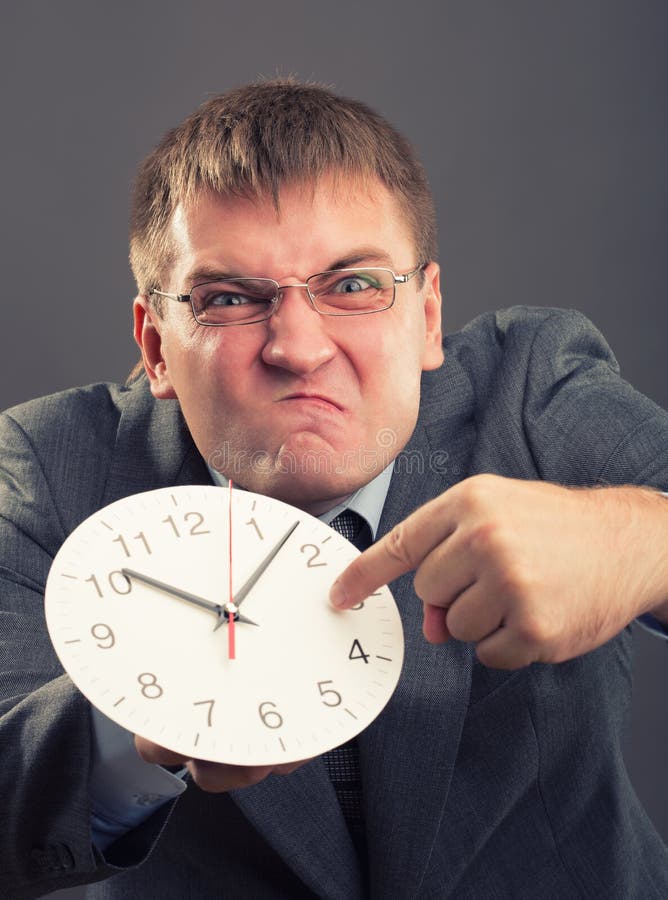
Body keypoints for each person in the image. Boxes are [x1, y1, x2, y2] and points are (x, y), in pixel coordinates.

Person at [1, 78, 668, 900]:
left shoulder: (530, 389)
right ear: (158, 347)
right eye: (230, 299)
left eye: (352, 285)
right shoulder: (46, 464)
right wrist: (140, 724)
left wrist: (640, 540)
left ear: (426, 318)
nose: (298, 347)